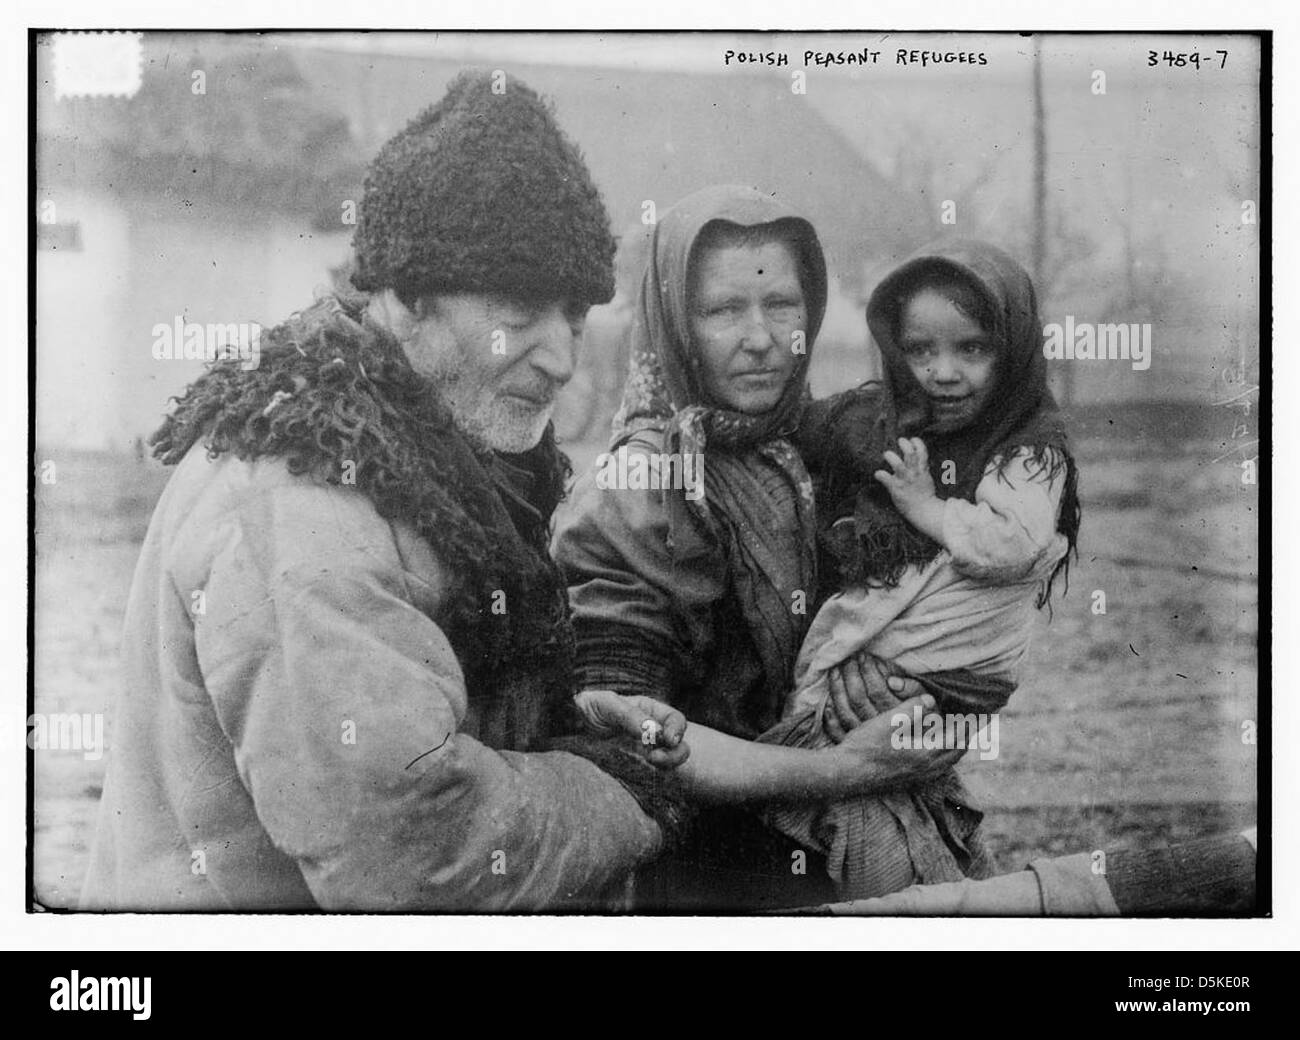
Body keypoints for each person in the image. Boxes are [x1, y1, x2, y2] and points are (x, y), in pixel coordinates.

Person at [79, 71, 693, 912]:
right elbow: (415, 857)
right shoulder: (300, 509)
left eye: (577, 321)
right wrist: (610, 792)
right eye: (519, 310)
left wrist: (559, 726)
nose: (560, 359)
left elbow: (405, 713)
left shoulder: (412, 460)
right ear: (406, 299)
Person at [555, 185, 965, 910]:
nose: (761, 338)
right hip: (697, 865)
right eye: (720, 311)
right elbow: (629, 749)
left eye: (782, 305)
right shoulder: (642, 486)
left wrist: (900, 692)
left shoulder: (821, 447)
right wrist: (847, 770)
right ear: (673, 323)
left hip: (825, 826)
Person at [758, 239, 1083, 899]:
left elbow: (1010, 548)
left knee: (880, 798)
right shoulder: (878, 422)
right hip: (879, 678)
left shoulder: (1027, 449)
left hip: (944, 678)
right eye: (921, 350)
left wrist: (928, 506)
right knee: (854, 785)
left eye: (973, 349)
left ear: (1013, 350)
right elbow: (802, 433)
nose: (944, 372)